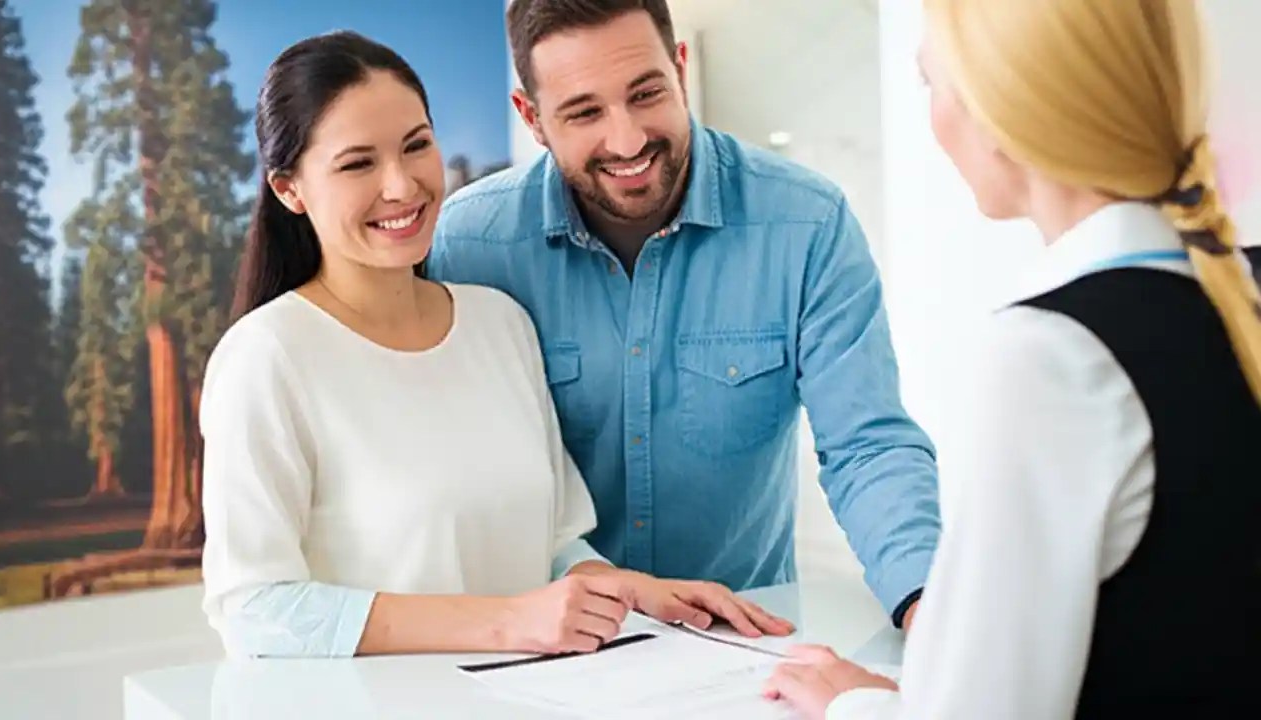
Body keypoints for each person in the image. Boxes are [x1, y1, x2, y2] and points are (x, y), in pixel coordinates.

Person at [198, 30, 791, 660]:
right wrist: (507, 622)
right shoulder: (266, 358)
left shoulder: (498, 323)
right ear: (290, 189)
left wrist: (633, 591)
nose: (401, 186)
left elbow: (555, 542)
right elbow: (255, 610)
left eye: (416, 145)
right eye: (358, 163)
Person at [763, 1, 1261, 718]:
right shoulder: (1233, 292)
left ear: (1001, 106)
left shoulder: (1052, 357)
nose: (932, 120)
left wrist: (857, 706)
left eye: (930, 81)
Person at [427, 0, 941, 634]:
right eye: (585, 112)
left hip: (744, 640)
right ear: (531, 118)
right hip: (546, 644)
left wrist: (926, 602)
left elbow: (867, 445)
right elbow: (457, 467)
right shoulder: (471, 245)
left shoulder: (807, 224)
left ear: (681, 68)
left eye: (645, 94)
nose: (628, 139)